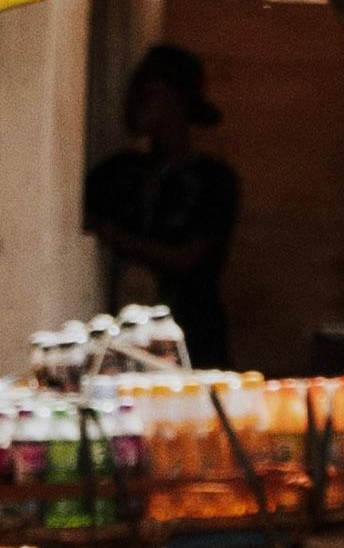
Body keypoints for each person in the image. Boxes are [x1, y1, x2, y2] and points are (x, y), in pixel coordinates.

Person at [81, 41, 242, 364]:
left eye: (149, 93)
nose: (135, 104)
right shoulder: (118, 172)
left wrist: (115, 237)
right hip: (122, 346)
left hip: (192, 341)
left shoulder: (214, 180)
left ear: (179, 101)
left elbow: (188, 258)